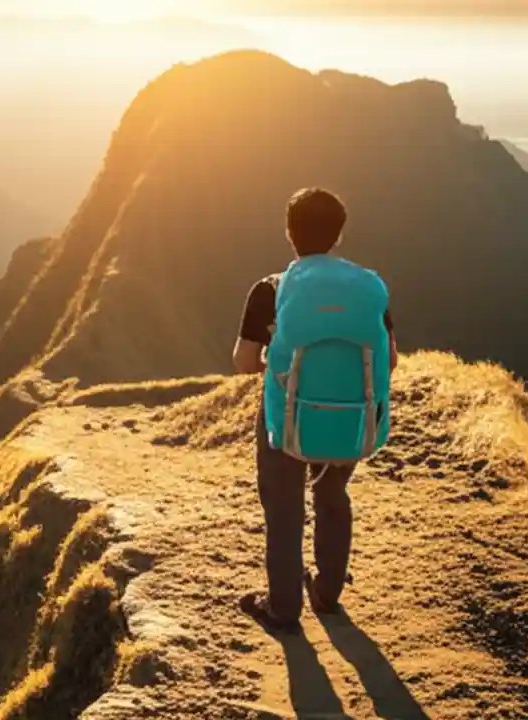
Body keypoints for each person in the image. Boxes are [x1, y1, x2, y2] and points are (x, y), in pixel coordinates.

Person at [232, 188, 399, 633]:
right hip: (350, 418)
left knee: (284, 509)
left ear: (289, 233)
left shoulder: (271, 289)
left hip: (286, 421)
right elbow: (392, 358)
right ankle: (327, 593)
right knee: (332, 497)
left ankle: (282, 609)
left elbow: (245, 363)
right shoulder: (367, 289)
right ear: (339, 236)